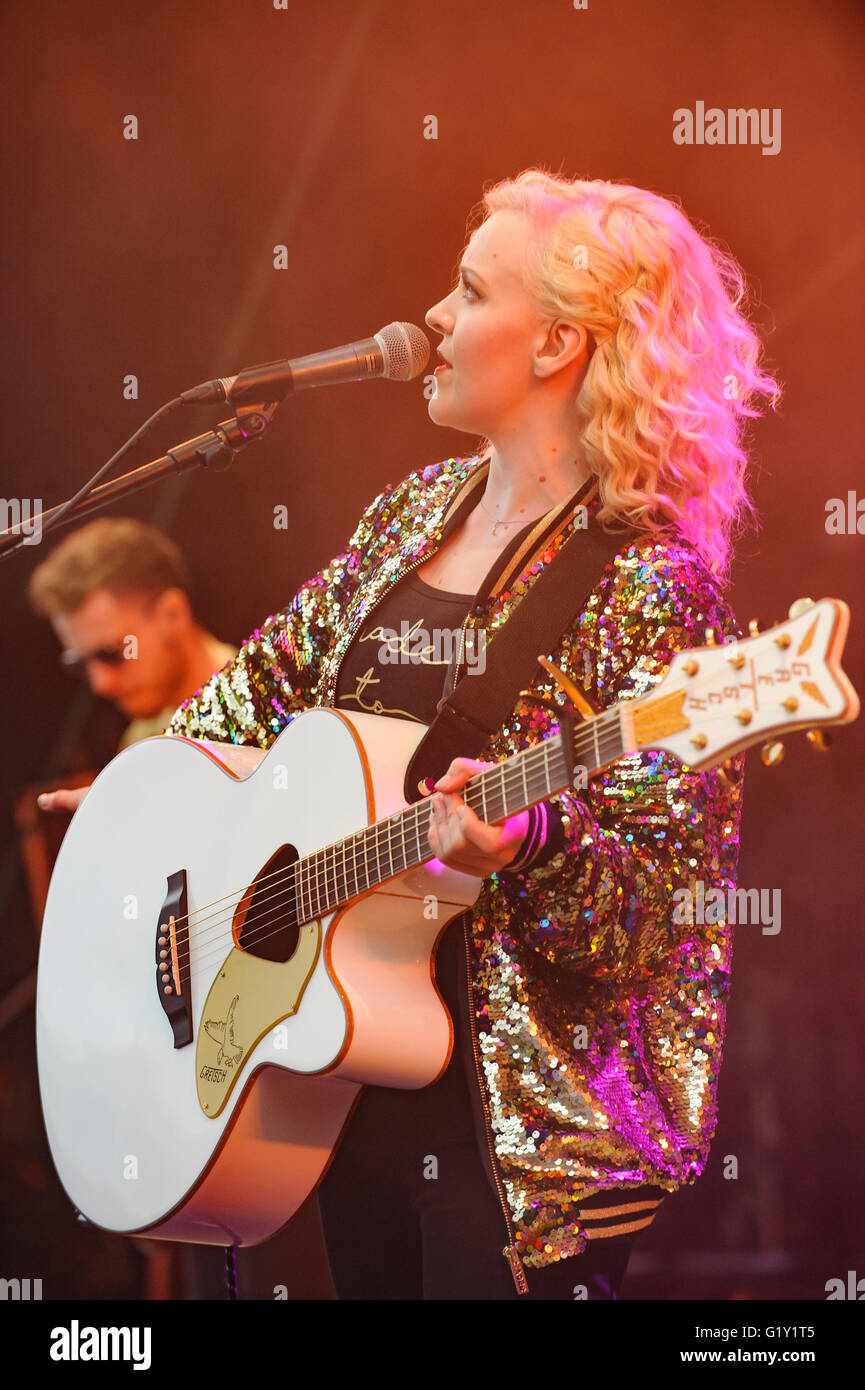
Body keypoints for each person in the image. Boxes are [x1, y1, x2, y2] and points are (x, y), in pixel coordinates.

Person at [165, 169, 782, 1300]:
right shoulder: (410, 512)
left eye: (465, 290)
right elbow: (248, 699)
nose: (431, 321)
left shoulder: (652, 589)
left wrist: (535, 839)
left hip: (513, 1152)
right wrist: (143, 800)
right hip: (320, 1087)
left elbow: (657, 921)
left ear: (555, 344)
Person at [28, 517, 236, 812]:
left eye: (111, 653)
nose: (100, 684)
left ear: (172, 614)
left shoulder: (281, 701)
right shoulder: (138, 744)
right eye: (80, 664)